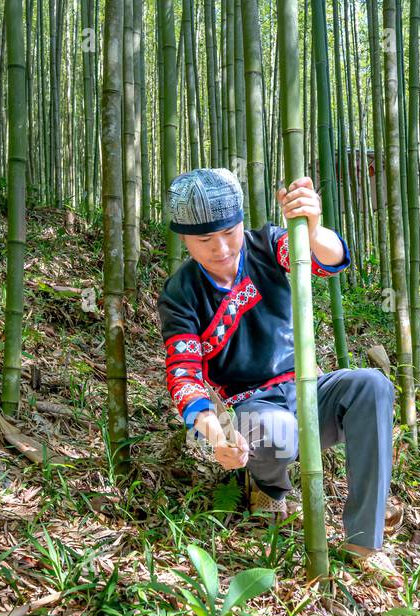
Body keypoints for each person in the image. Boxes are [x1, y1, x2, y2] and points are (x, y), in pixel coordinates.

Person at [157, 167, 403, 589]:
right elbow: (185, 375)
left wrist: (312, 227)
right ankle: (267, 488)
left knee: (372, 385)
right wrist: (214, 435)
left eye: (229, 232)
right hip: (251, 409)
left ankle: (364, 542)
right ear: (183, 238)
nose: (221, 248)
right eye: (204, 240)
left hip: (306, 388)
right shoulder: (181, 294)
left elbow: (328, 261)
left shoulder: (266, 245)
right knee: (276, 430)